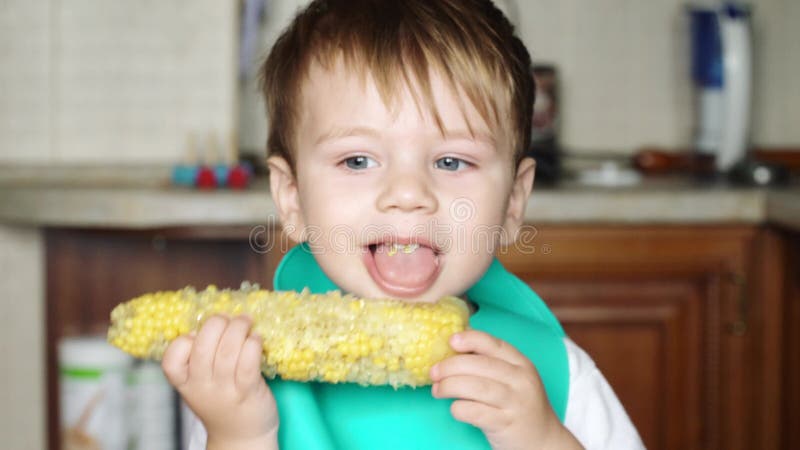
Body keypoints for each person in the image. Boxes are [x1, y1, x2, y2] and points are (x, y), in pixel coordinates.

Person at [162, 1, 645, 449]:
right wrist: (240, 434)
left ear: (514, 201)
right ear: (292, 197)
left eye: (453, 162)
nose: (408, 194)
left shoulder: (559, 374)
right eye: (356, 160)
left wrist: (543, 440)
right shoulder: (236, 377)